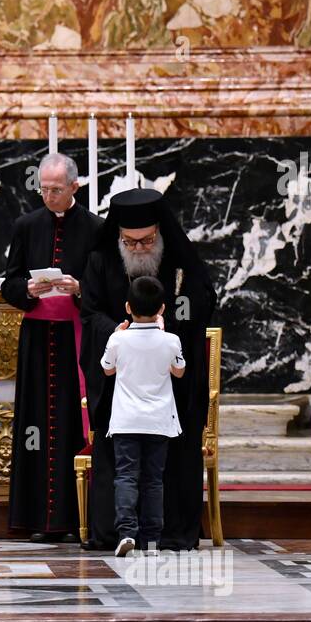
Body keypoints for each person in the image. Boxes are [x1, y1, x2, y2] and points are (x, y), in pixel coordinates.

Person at [79, 188, 217, 552]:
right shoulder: (101, 259)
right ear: (119, 236)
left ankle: (170, 532)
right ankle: (116, 532)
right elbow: (90, 313)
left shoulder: (181, 262)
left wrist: (169, 328)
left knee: (164, 465)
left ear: (159, 232)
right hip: (121, 388)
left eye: (147, 241)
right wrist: (119, 333)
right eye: (130, 242)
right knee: (123, 465)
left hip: (169, 388)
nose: (139, 249)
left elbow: (200, 304)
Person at [1, 153, 103, 542]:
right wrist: (26, 289)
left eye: (56, 190)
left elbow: (108, 285)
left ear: (75, 187)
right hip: (38, 344)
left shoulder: (97, 228)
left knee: (75, 423)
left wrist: (80, 289)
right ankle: (41, 520)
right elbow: (8, 284)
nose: (48, 196)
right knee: (36, 425)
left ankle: (81, 519)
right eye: (43, 189)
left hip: (78, 339)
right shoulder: (26, 226)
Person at [101, 276, 186, 557]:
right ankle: (151, 541)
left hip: (126, 420)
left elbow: (107, 369)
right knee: (153, 480)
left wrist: (117, 334)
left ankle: (127, 533)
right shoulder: (171, 340)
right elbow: (179, 371)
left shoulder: (118, 338)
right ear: (162, 309)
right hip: (159, 421)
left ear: (128, 307)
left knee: (126, 476)